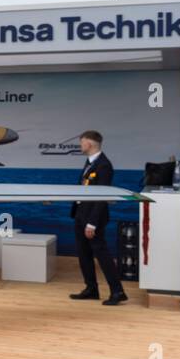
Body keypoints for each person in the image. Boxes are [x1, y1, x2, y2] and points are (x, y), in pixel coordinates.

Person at [69, 130, 127, 305]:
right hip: (81, 214)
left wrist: (92, 224)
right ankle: (91, 288)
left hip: (93, 218)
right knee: (83, 253)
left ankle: (117, 291)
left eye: (82, 142)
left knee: (102, 254)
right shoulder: (89, 163)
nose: (80, 145)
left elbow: (102, 197)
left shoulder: (103, 165)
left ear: (90, 143)